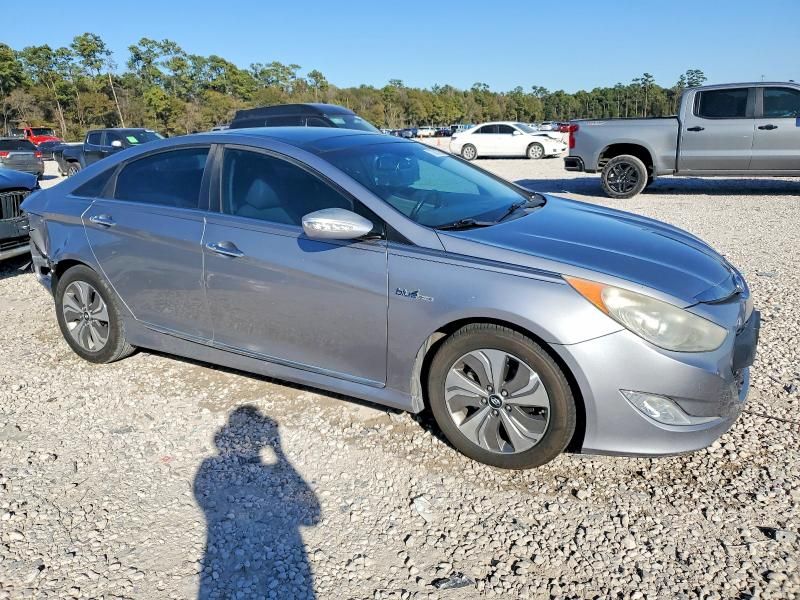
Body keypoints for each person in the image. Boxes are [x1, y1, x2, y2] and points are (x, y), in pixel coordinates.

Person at [194, 406, 321, 599]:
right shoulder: (210, 466)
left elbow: (205, 498)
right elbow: (312, 517)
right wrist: (279, 452)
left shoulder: (208, 467)